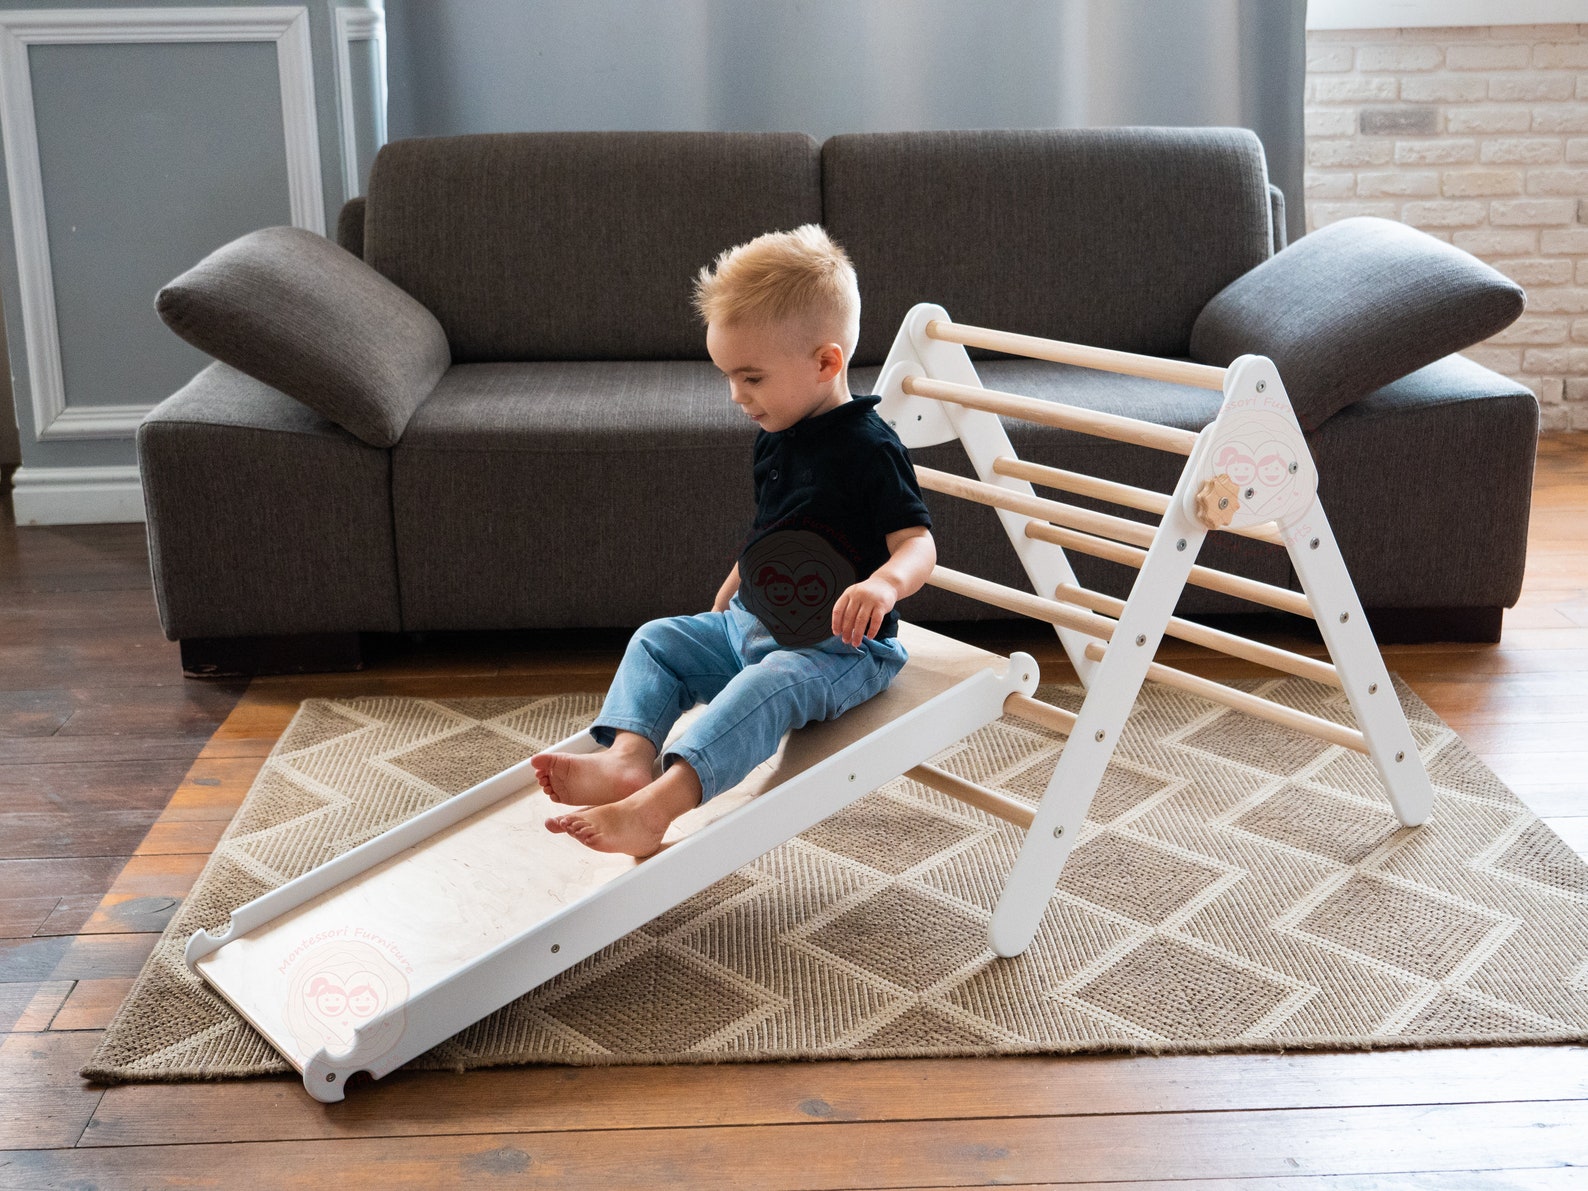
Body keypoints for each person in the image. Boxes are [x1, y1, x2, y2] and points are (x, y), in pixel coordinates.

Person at [534, 224, 937, 856]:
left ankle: (658, 805)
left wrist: (883, 583)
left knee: (767, 684)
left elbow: (918, 542)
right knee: (657, 639)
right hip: (752, 622)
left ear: (826, 362)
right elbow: (777, 527)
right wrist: (738, 578)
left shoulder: (871, 448)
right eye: (728, 376)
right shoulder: (776, 434)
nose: (736, 396)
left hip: (837, 653)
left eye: (751, 377)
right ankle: (629, 758)